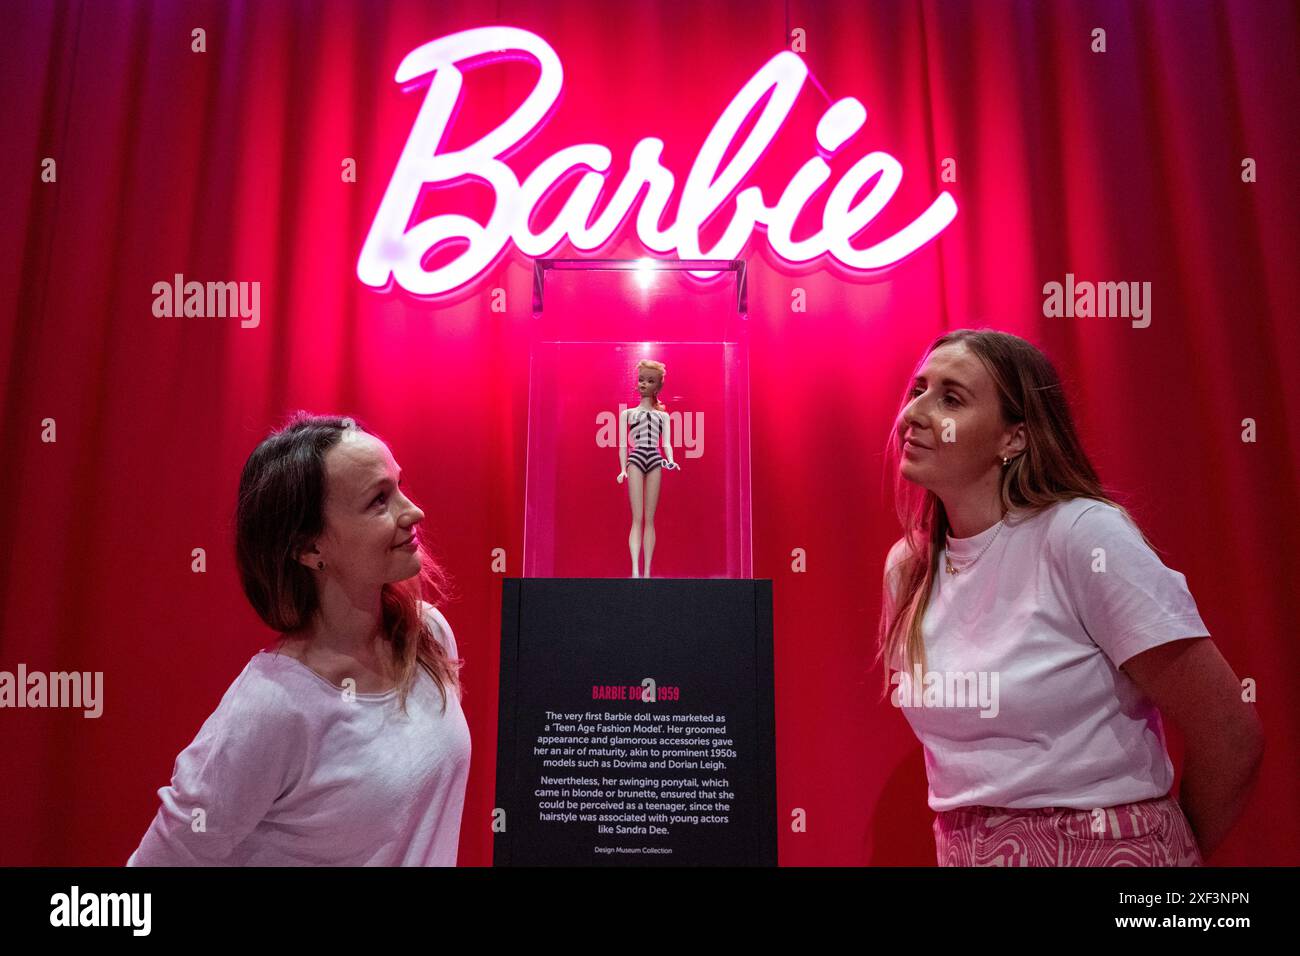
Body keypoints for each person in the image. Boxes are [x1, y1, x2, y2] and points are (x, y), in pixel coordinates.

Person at [877, 329, 1262, 866]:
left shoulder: (1083, 535)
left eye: (951, 398)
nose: (914, 412)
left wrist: (1163, 858)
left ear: (1014, 439)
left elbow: (1229, 732)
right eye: (917, 389)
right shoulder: (909, 566)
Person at [127, 412, 470, 865]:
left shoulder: (427, 635)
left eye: (399, 486)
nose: (413, 512)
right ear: (310, 550)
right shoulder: (272, 707)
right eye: (378, 501)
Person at [616, 359, 679, 578]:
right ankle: (635, 570)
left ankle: (647, 571)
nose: (643, 384)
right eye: (641, 379)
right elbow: (623, 444)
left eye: (649, 381)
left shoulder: (663, 416)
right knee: (637, 518)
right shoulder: (627, 414)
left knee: (649, 518)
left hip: (654, 457)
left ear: (658, 386)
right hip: (635, 458)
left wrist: (670, 459)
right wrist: (622, 469)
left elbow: (666, 443)